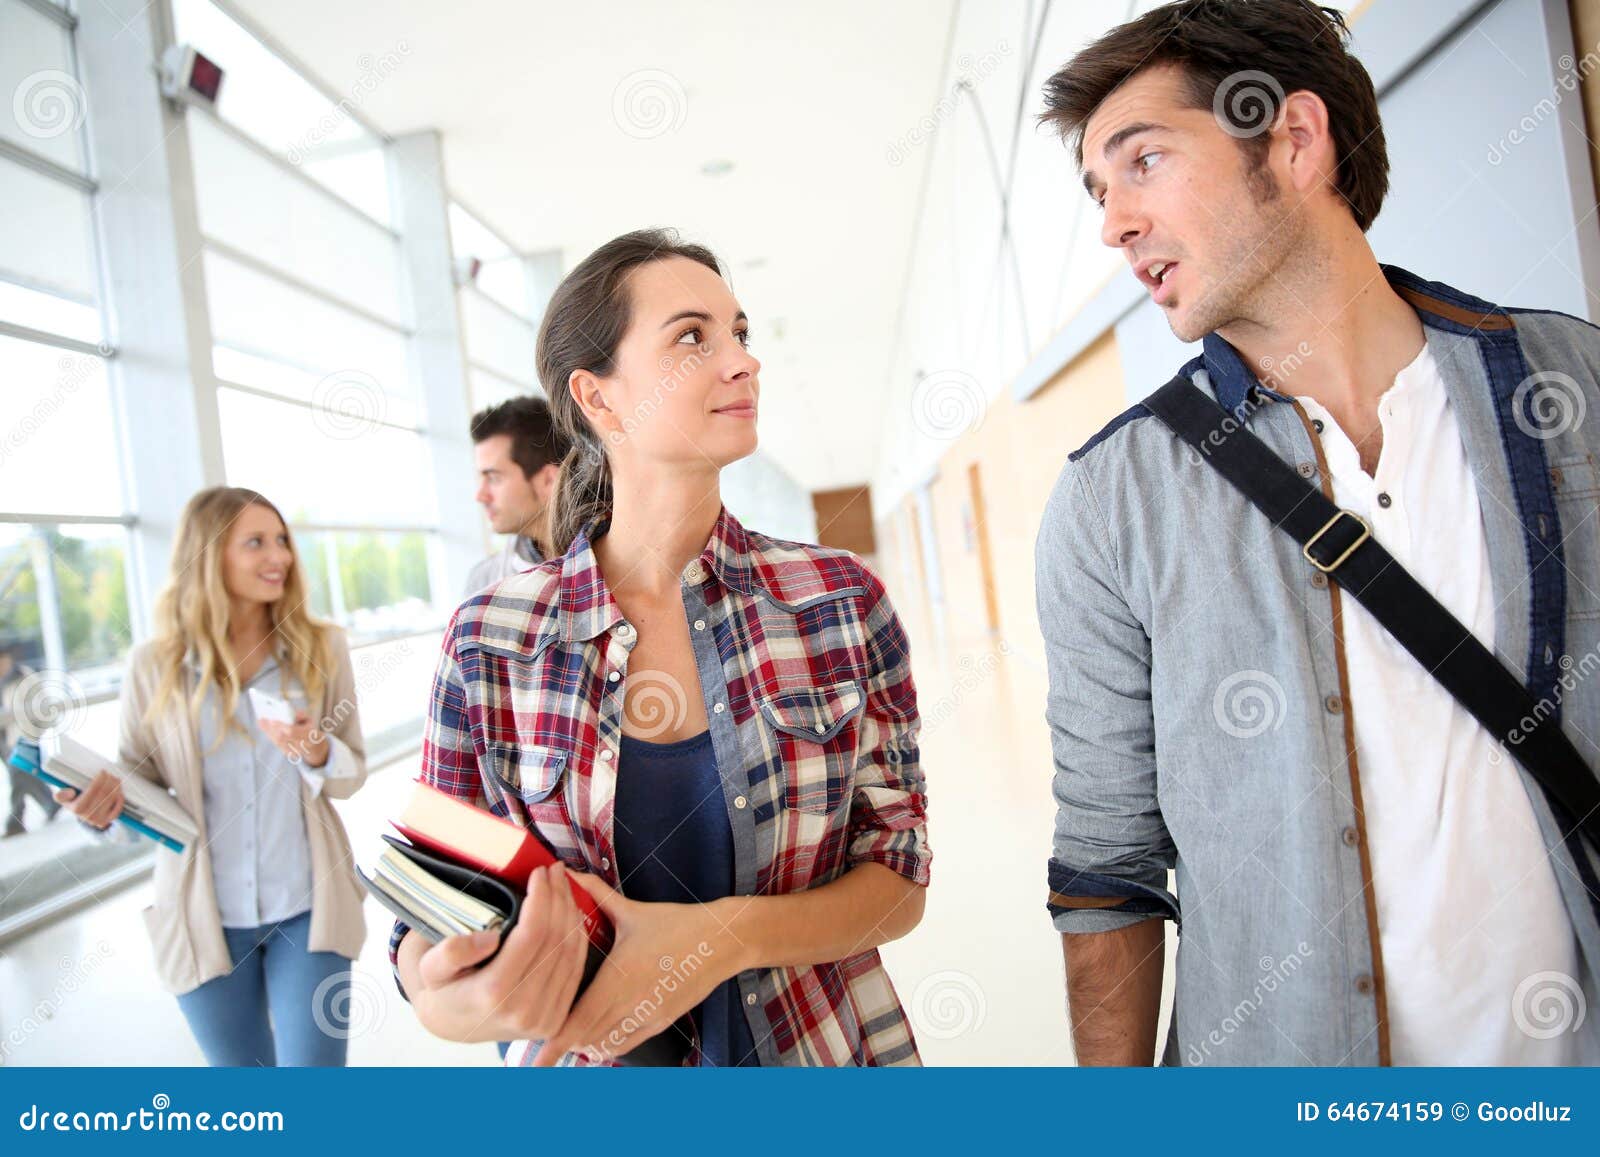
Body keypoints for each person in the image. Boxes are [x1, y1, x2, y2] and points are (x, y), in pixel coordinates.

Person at [1035, 0, 1600, 1065]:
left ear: (1293, 140)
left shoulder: (1569, 384)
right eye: (1098, 191)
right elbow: (1105, 872)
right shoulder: (1112, 504)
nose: (1112, 222)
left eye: (1142, 161)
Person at [389, 228, 931, 1066]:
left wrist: (718, 939)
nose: (742, 361)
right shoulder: (490, 641)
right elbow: (428, 909)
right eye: (692, 337)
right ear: (599, 400)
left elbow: (896, 877)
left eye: (740, 334)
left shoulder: (837, 603)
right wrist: (443, 999)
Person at [55, 487, 370, 1066]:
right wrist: (102, 810)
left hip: (309, 908)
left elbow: (351, 776)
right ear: (207, 556)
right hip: (202, 918)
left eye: (281, 541)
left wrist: (317, 750)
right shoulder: (156, 665)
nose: (279, 556)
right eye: (255, 542)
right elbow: (138, 787)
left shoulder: (321, 647)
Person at [463, 396, 570, 598]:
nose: (480, 496)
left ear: (548, 480)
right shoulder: (483, 583)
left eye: (493, 478)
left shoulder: (617, 562)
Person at [2, 642, 62, 836]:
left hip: (23, 739)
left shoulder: (25, 678)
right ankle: (50, 804)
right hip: (5, 741)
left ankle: (15, 822)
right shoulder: (3, 682)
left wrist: (33, 734)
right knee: (26, 776)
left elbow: (44, 708)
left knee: (19, 776)